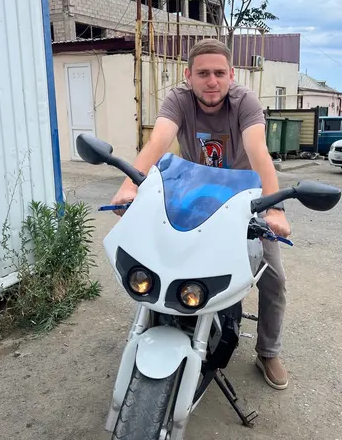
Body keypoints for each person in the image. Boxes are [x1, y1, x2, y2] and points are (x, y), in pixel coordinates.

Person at [111, 39, 291, 389]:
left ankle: (268, 351)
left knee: (273, 278)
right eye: (203, 73)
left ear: (231, 75)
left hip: (243, 198)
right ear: (188, 75)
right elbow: (158, 141)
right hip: (194, 193)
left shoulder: (245, 102)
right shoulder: (178, 100)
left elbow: (258, 150)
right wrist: (129, 186)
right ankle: (161, 325)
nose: (212, 81)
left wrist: (275, 208)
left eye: (219, 73)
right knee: (164, 256)